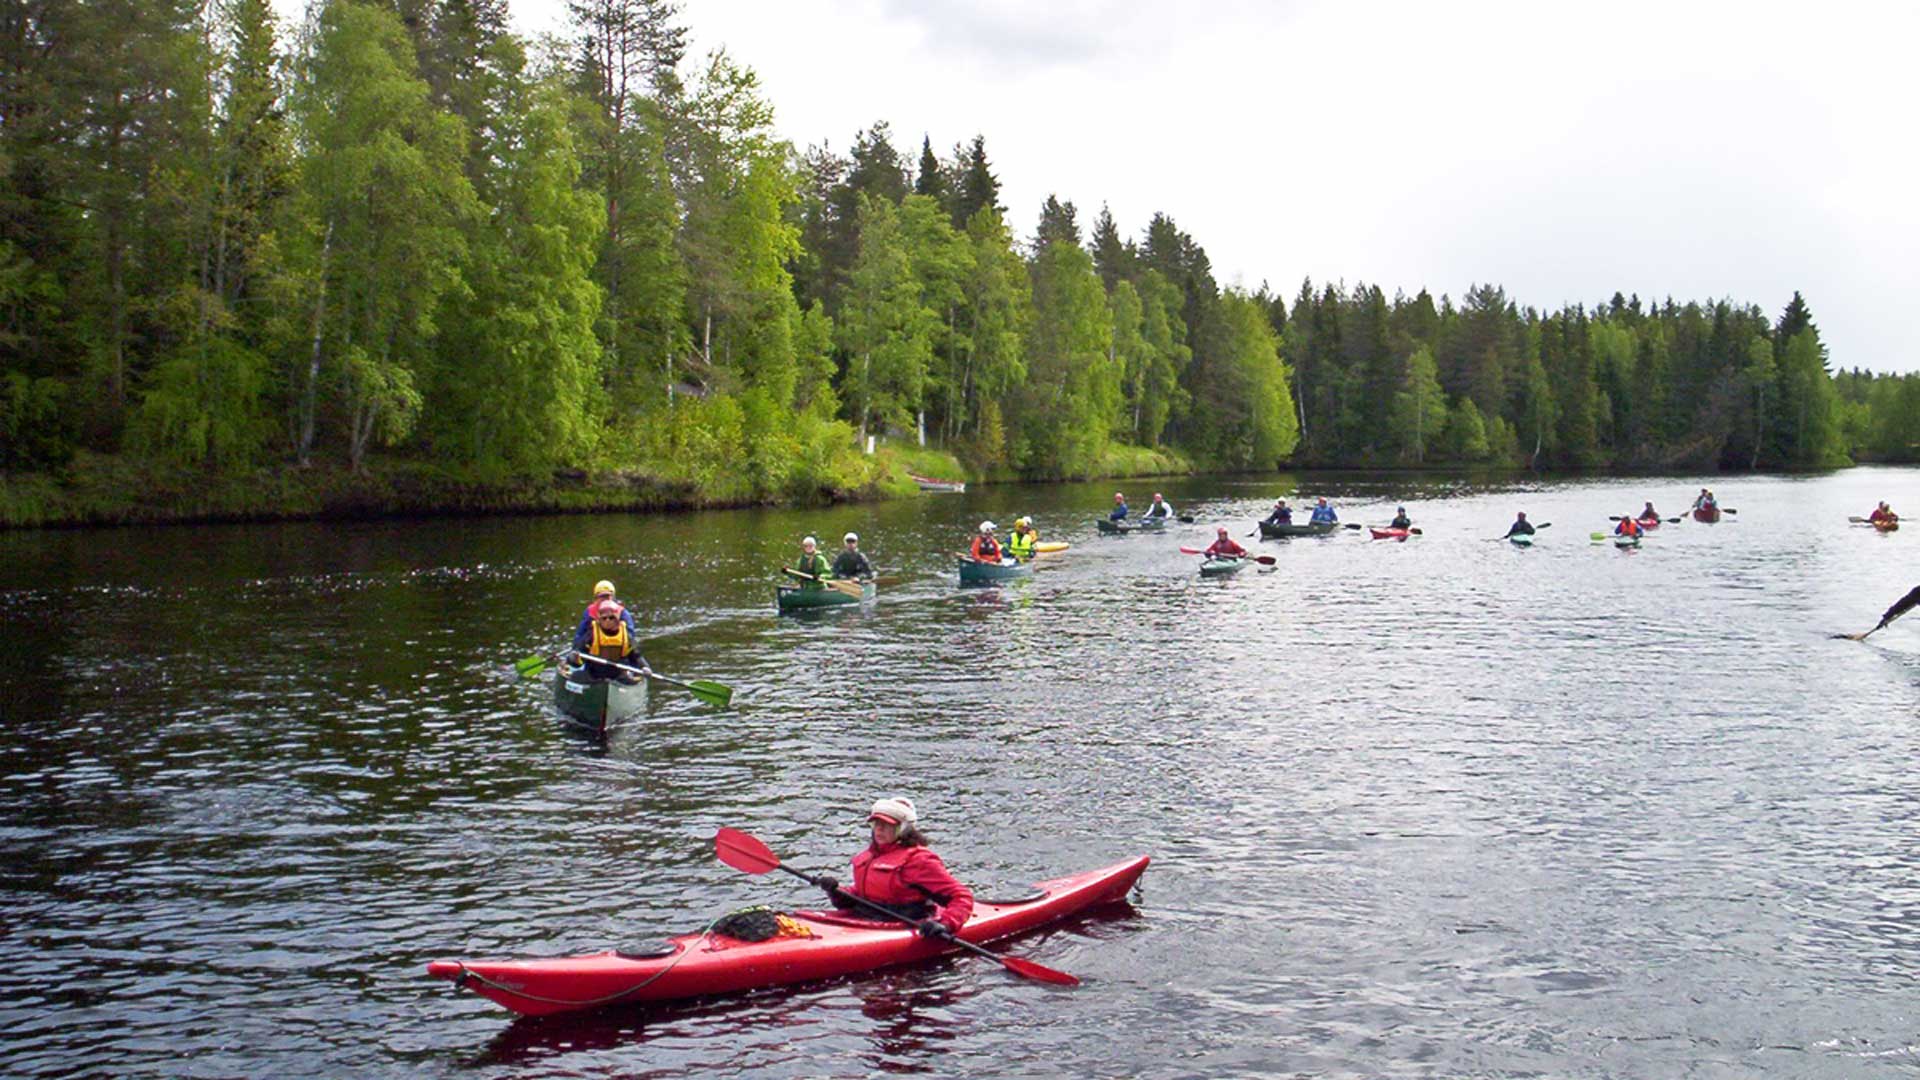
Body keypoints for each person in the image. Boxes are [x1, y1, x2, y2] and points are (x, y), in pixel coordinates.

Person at [816, 797, 975, 938]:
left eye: (887, 825)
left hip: (902, 922)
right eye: (876, 823)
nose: (879, 829)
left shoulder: (919, 861)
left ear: (903, 829)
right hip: (865, 918)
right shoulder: (871, 855)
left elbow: (961, 897)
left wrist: (946, 925)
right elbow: (865, 894)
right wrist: (837, 892)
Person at [570, 601, 645, 682]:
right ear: (599, 620)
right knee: (575, 676)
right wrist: (574, 659)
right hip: (594, 675)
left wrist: (644, 667)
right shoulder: (591, 635)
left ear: (617, 619)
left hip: (618, 675)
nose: (607, 621)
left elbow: (636, 656)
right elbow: (578, 659)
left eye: (611, 618)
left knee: (631, 680)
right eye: (604, 618)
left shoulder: (626, 636)